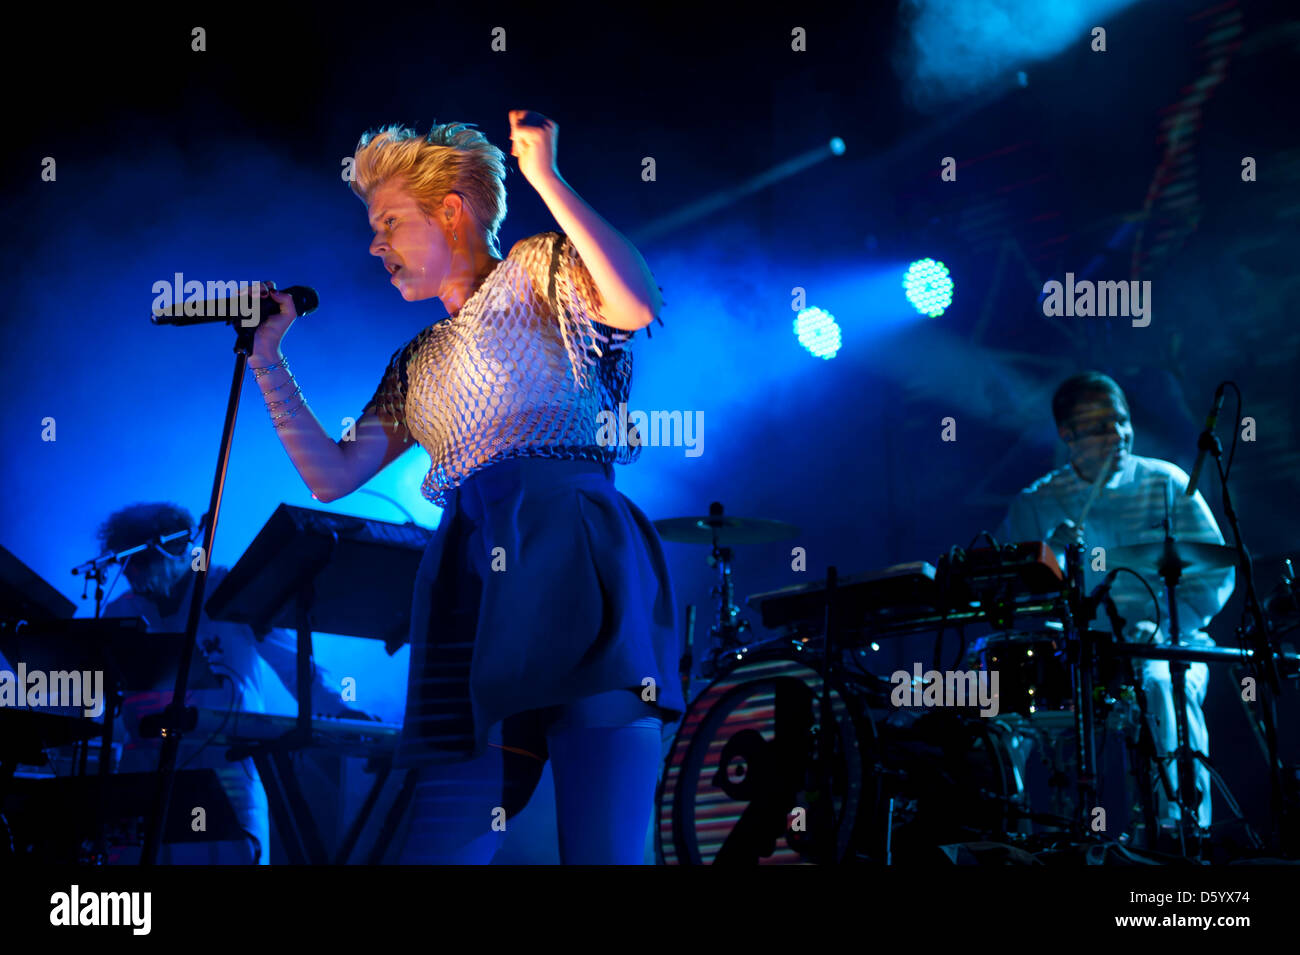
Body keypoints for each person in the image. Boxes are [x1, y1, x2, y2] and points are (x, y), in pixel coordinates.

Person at [249, 112, 683, 864]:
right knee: (439, 843)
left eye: (389, 222)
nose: (375, 245)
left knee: (605, 849)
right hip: (469, 580)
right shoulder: (416, 359)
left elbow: (635, 303)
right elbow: (331, 475)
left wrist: (546, 176)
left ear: (450, 210)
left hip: (572, 550)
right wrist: (267, 359)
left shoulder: (541, 269)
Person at [999, 372, 1236, 832]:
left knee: (1162, 685)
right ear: (1067, 434)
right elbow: (1017, 596)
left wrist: (1165, 624)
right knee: (1005, 709)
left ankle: (1181, 831)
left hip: (1166, 642)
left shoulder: (1165, 482)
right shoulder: (1037, 503)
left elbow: (1214, 569)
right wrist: (1051, 555)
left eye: (1122, 421)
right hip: (1078, 656)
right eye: (1100, 426)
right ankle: (1011, 832)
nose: (1119, 435)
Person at [98, 502, 350, 864]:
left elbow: (291, 662)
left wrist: (339, 710)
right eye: (127, 567)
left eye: (142, 563)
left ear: (177, 548)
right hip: (145, 769)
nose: (134, 577)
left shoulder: (232, 589)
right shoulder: (121, 611)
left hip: (226, 765)